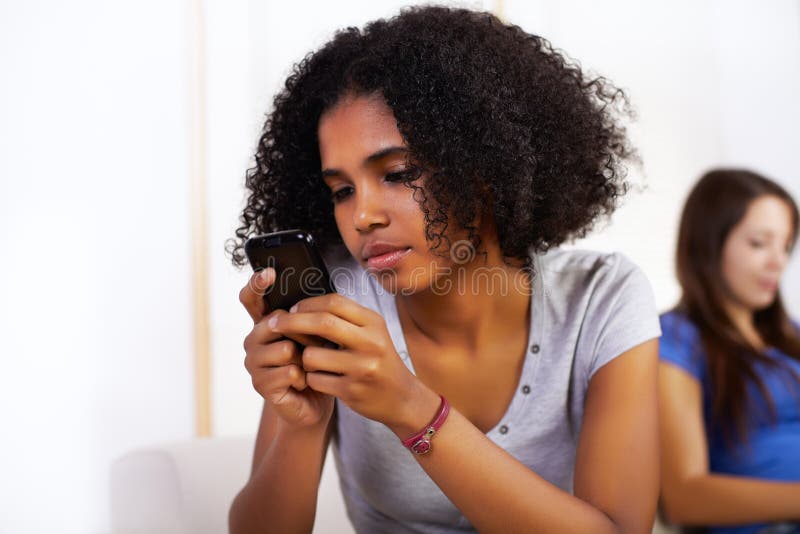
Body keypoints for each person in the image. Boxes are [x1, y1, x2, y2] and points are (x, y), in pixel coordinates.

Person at [227, 6, 661, 533]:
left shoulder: (601, 298)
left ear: (482, 166)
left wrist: (412, 408)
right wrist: (303, 423)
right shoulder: (338, 304)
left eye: (398, 173)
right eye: (341, 190)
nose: (362, 216)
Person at [658, 169, 800, 534]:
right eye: (758, 244)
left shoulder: (790, 335)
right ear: (708, 244)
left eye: (785, 246)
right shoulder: (676, 339)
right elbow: (684, 497)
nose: (778, 262)